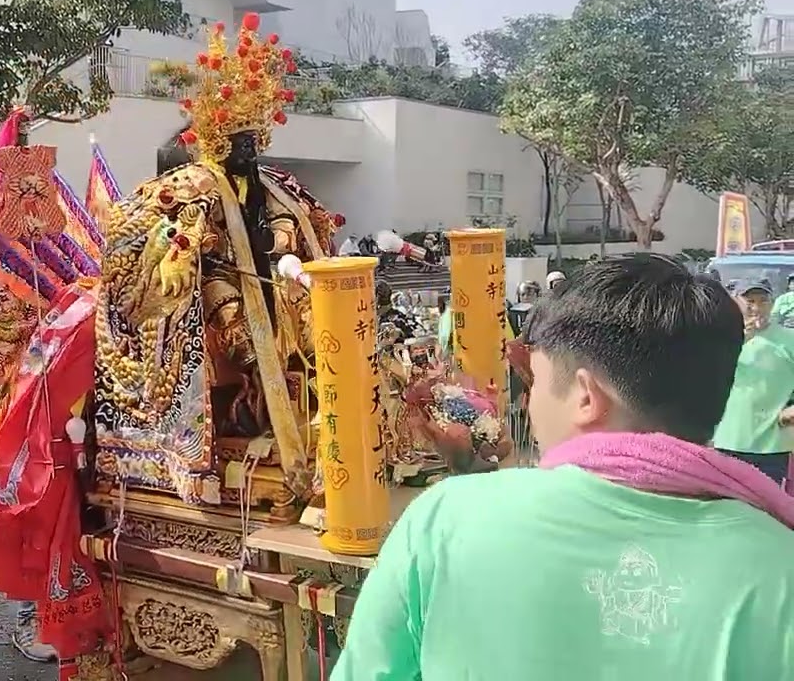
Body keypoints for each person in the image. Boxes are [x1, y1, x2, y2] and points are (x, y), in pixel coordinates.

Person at [332, 254, 794, 681]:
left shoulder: (443, 521)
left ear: (586, 396)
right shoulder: (778, 563)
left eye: (535, 382)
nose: (530, 403)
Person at [711, 278, 794, 485]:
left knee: (768, 510)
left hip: (772, 446)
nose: (757, 308)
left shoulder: (788, 339)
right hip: (726, 441)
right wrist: (741, 339)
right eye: (750, 301)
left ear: (773, 303)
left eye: (763, 301)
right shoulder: (721, 338)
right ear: (736, 302)